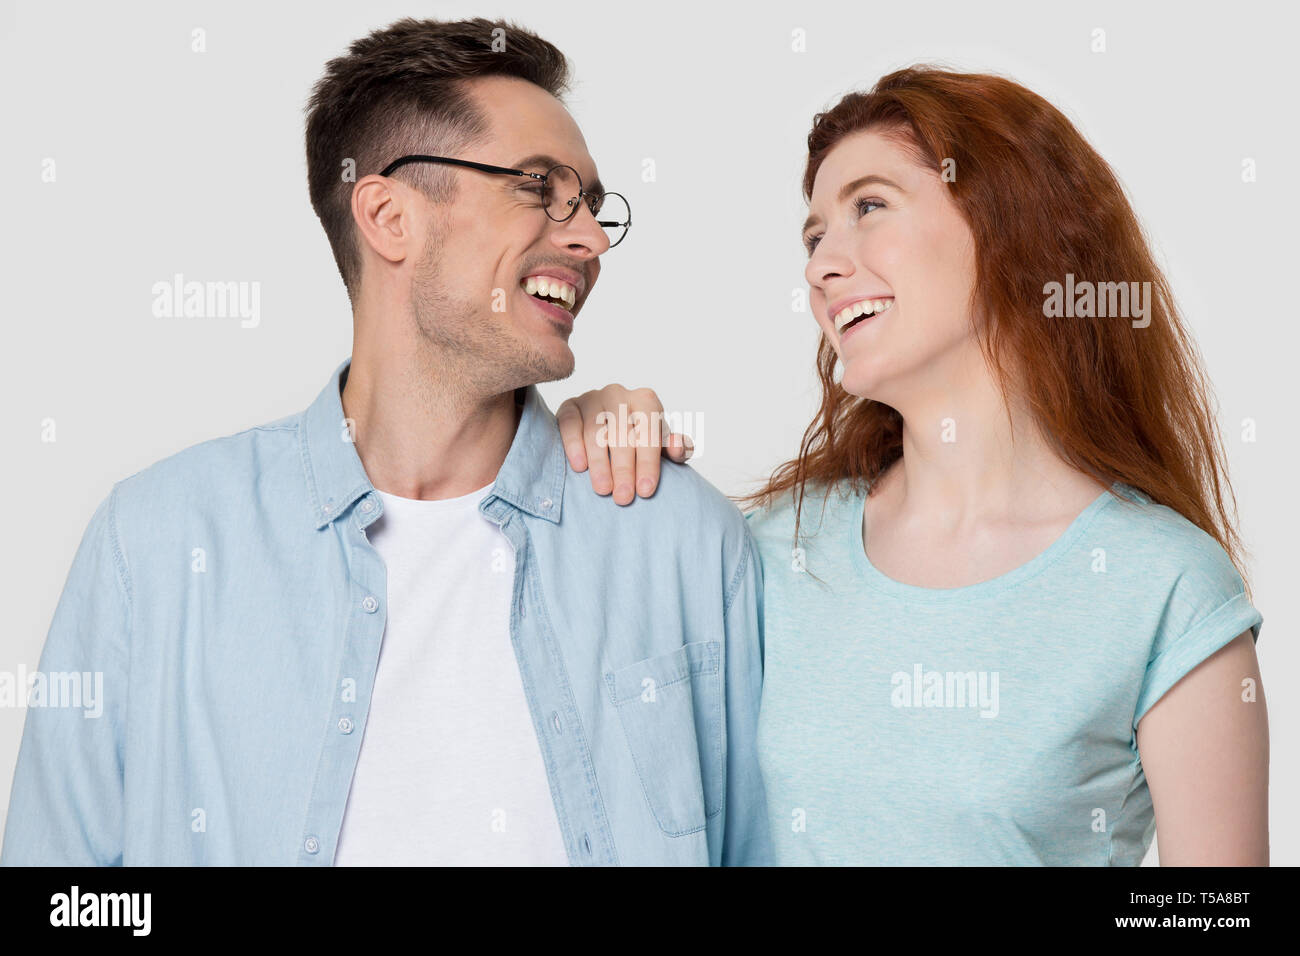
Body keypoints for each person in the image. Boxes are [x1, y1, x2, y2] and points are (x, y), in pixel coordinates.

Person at [1, 17, 771, 867]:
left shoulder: (682, 542)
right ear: (387, 215)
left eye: (590, 203)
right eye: (540, 188)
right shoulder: (155, 545)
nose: (587, 238)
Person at [555, 66, 1268, 865]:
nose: (822, 264)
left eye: (869, 207)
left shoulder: (1165, 586)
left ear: (1012, 223)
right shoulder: (770, 551)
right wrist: (588, 435)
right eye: (815, 233)